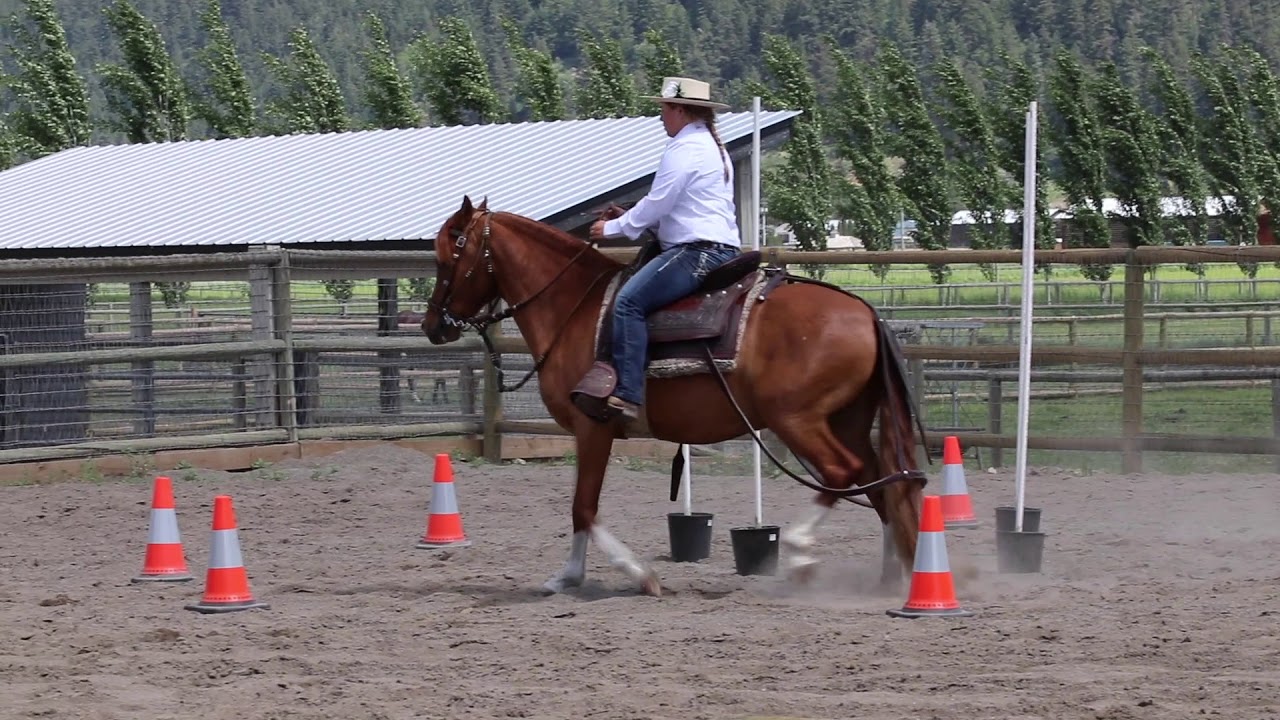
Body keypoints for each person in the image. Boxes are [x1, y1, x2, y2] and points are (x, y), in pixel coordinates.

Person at [589, 76, 743, 421]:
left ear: (679, 109)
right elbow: (678, 208)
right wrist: (632, 217)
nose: (660, 117)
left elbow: (659, 202)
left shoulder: (686, 149)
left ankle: (628, 393)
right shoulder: (710, 147)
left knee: (628, 302)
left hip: (696, 252)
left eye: (663, 109)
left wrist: (613, 228)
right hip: (716, 247)